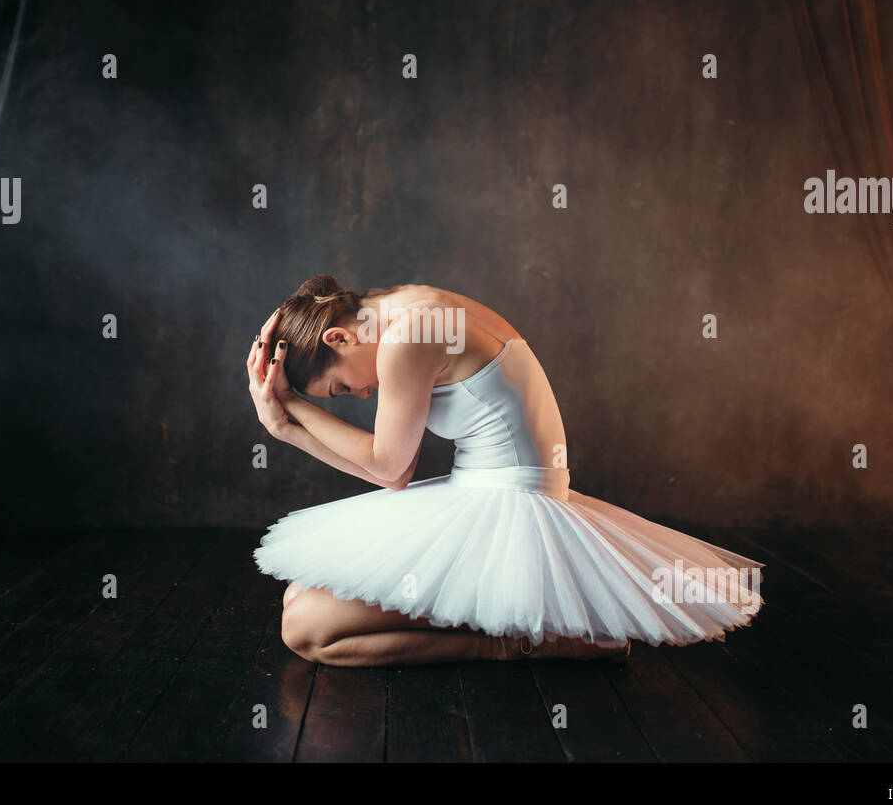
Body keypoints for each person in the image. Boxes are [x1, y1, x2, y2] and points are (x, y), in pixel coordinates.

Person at [247, 276, 765, 667]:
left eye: (339, 390)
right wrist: (289, 425)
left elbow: (388, 469)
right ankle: (523, 632)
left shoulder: (406, 339)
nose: (360, 395)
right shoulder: (406, 301)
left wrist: (290, 412)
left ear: (338, 338)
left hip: (513, 506)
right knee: (299, 598)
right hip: (490, 489)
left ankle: (511, 641)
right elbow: (393, 472)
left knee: (305, 627)